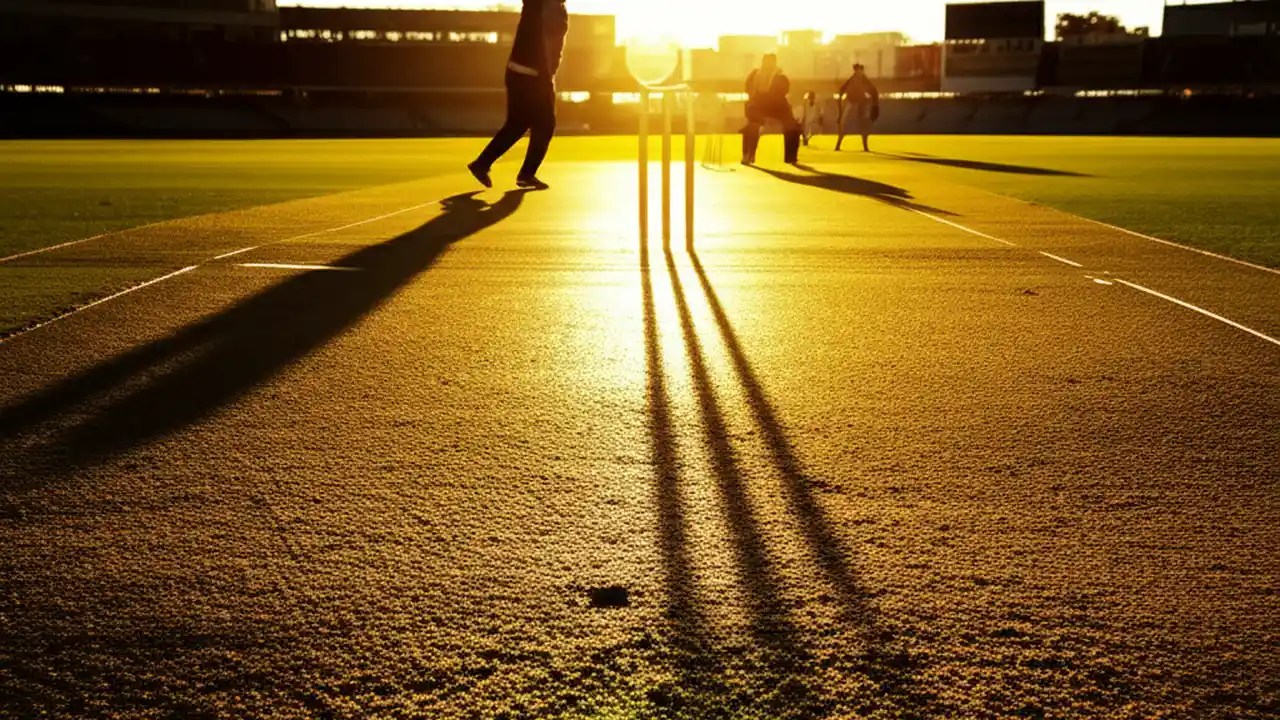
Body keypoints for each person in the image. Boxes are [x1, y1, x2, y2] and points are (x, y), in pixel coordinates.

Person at [468, 0, 569, 191]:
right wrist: (546, 75)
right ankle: (526, 174)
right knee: (544, 125)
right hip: (533, 75)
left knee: (518, 124)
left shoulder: (555, 7)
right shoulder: (541, 5)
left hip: (522, 72)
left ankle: (482, 164)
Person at [741, 54, 802, 166]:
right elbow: (748, 90)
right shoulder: (754, 75)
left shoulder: (780, 76)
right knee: (751, 127)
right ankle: (748, 155)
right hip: (759, 106)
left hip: (778, 107)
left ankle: (791, 157)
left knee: (792, 127)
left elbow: (783, 92)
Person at [836, 62, 880, 152]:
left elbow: (874, 91)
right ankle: (838, 145)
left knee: (863, 124)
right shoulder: (851, 80)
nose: (859, 72)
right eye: (857, 70)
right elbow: (841, 91)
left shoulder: (865, 80)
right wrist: (840, 110)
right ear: (855, 71)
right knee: (843, 124)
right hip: (851, 102)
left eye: (860, 70)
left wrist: (875, 105)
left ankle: (865, 146)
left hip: (861, 102)